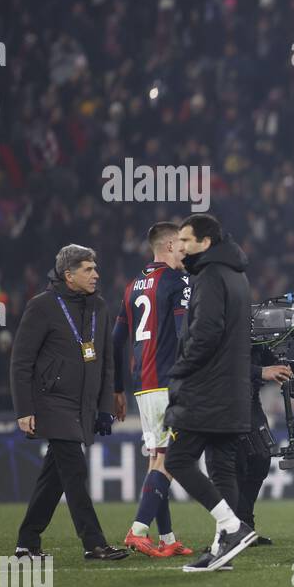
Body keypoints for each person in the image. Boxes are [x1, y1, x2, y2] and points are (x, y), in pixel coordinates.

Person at [11, 244, 128, 561]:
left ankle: (27, 542)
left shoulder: (99, 307)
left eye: (96, 268)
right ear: (69, 274)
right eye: (88, 269)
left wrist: (104, 407)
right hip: (52, 402)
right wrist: (24, 409)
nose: (96, 275)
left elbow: (105, 362)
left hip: (83, 405)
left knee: (55, 478)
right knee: (75, 472)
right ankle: (94, 543)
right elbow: (21, 362)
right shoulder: (43, 306)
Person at [163, 214, 258, 572]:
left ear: (205, 243)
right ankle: (224, 549)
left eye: (186, 240)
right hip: (233, 390)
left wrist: (180, 371)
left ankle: (232, 528)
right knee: (223, 470)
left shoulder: (209, 276)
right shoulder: (237, 275)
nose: (180, 246)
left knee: (177, 460)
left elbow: (205, 333)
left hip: (208, 390)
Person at [112, 221, 192, 557]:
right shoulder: (177, 280)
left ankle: (168, 538)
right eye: (183, 242)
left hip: (143, 385)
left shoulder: (132, 287)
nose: (186, 248)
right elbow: (185, 330)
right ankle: (138, 529)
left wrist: (117, 388)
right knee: (171, 458)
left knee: (156, 460)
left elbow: (117, 339)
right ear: (171, 244)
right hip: (168, 380)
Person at [234, 345, 292, 544]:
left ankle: (245, 527)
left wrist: (286, 366)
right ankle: (233, 528)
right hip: (223, 399)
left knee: (261, 458)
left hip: (250, 398)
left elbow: (271, 359)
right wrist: (260, 371)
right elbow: (223, 362)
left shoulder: (253, 332)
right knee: (234, 464)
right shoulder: (224, 323)